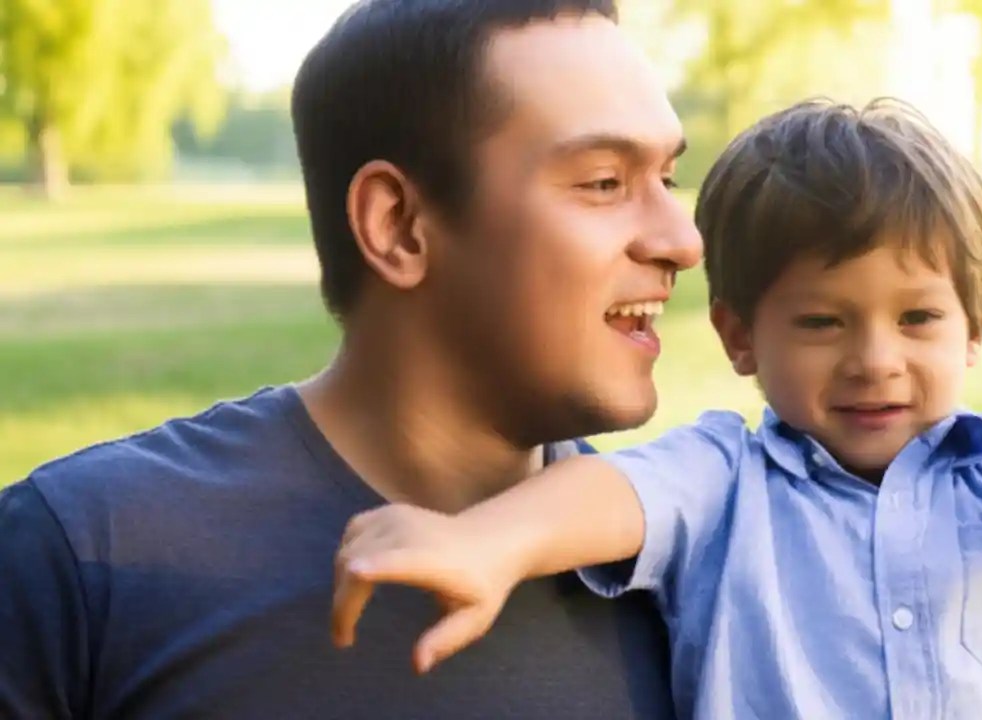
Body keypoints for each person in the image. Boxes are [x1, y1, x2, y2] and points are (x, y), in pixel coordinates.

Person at [332, 99, 982, 719]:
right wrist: (489, 542)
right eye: (823, 322)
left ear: (971, 330)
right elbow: (605, 495)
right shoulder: (724, 479)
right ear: (743, 338)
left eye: (918, 318)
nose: (876, 360)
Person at [0, 1, 701, 717]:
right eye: (605, 182)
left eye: (668, 181)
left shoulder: (695, 575)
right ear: (396, 225)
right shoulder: (79, 559)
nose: (684, 240)